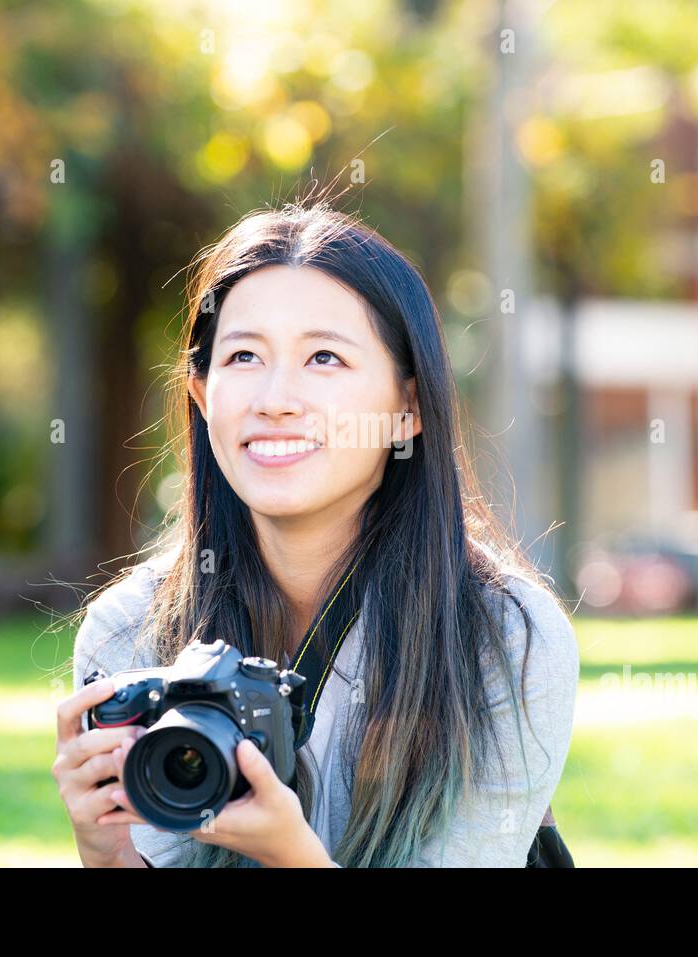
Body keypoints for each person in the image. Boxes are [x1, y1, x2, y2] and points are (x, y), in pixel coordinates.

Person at [52, 199, 580, 867]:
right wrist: (107, 854)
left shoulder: (505, 637)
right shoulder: (130, 630)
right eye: (243, 356)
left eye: (325, 357)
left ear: (408, 410)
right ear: (201, 392)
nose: (276, 398)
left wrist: (290, 854)